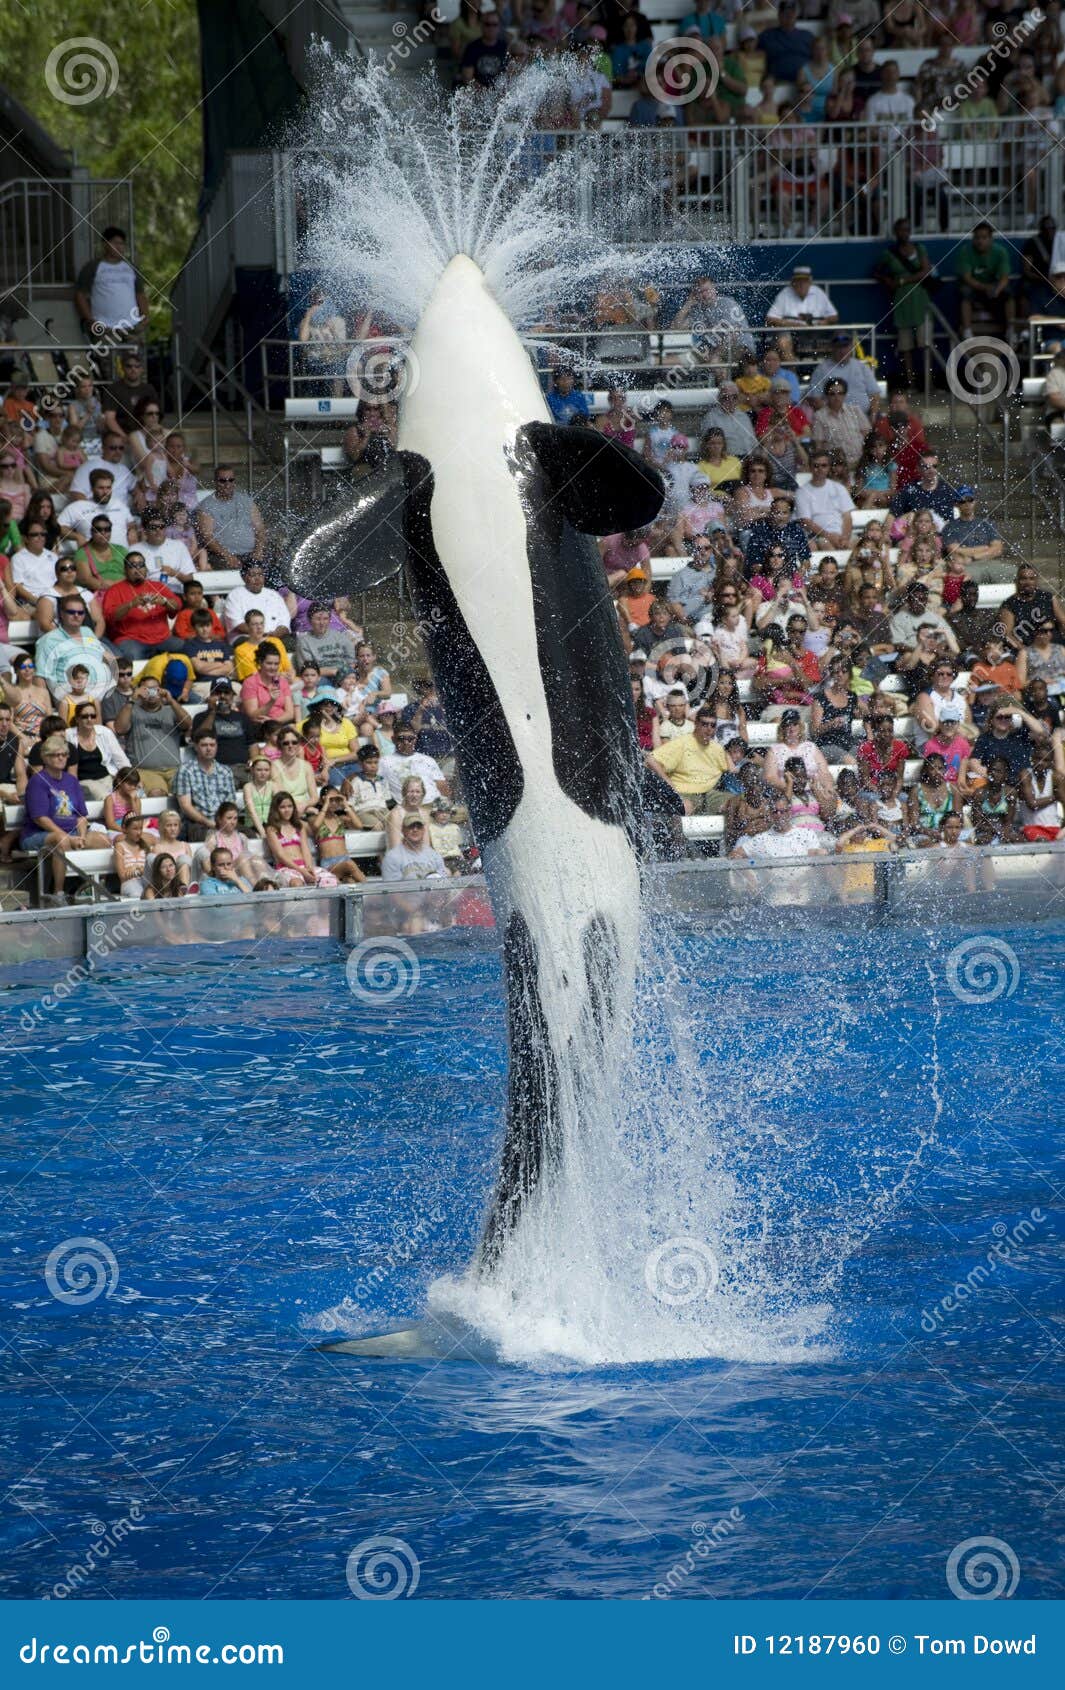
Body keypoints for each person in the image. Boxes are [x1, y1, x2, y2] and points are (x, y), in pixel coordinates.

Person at [20, 734, 111, 902]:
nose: (61, 758)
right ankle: (58, 893)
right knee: (61, 841)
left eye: (64, 754)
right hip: (37, 834)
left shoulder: (71, 781)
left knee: (103, 840)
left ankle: (94, 887)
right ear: (45, 758)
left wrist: (82, 837)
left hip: (72, 831)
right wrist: (67, 837)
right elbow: (40, 818)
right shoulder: (38, 781)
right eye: (56, 754)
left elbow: (81, 816)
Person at [875, 219, 934, 390]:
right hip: (902, 302)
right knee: (905, 346)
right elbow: (877, 272)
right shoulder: (889, 253)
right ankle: (911, 384)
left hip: (921, 300)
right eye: (900, 230)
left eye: (907, 229)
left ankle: (929, 384)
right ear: (895, 232)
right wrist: (889, 281)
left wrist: (903, 280)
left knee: (926, 345)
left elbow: (925, 271)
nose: (904, 233)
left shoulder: (919, 248)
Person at [110, 672, 192, 795]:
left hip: (174, 769)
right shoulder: (131, 710)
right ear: (139, 691)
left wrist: (171, 701)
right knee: (156, 793)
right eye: (146, 689)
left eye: (155, 689)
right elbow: (120, 729)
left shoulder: (171, 710)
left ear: (161, 690)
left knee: (188, 794)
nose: (151, 692)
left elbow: (188, 724)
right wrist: (131, 700)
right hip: (147, 771)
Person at [645, 707, 730, 815]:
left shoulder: (717, 748)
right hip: (686, 794)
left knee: (737, 803)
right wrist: (669, 783)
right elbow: (650, 760)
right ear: (696, 724)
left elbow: (729, 770)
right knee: (682, 806)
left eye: (712, 725)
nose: (709, 728)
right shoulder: (682, 743)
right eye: (704, 724)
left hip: (710, 795)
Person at [101, 552, 183, 658]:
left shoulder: (157, 586)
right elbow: (109, 617)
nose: (138, 569)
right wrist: (131, 604)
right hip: (131, 640)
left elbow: (177, 605)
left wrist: (164, 601)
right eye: (132, 566)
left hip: (162, 639)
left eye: (141, 565)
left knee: (184, 647)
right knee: (133, 654)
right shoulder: (114, 590)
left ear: (146, 568)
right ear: (125, 570)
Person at [73, 227, 147, 334]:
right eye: (114, 243)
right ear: (105, 244)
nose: (119, 247)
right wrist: (90, 320)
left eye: (121, 243)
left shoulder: (131, 267)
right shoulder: (93, 267)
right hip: (104, 327)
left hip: (132, 325)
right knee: (104, 351)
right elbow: (80, 295)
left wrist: (145, 316)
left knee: (135, 350)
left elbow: (140, 294)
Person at [264, 792, 339, 888]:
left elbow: (305, 850)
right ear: (276, 809)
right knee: (297, 884)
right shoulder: (272, 829)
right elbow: (280, 855)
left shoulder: (299, 826)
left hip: (304, 866)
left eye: (290, 806)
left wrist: (309, 868)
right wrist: (301, 871)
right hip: (285, 868)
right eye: (282, 807)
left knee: (332, 880)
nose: (287, 810)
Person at [174, 730, 238, 841]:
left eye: (212, 745)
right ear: (196, 747)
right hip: (197, 823)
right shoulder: (186, 770)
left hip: (224, 822)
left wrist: (224, 822)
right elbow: (186, 806)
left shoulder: (226, 771)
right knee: (214, 839)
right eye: (204, 745)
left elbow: (230, 804)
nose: (209, 749)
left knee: (249, 836)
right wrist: (209, 823)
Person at [955, 221, 1014, 335]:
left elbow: (1004, 278)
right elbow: (967, 278)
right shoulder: (965, 251)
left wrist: (997, 289)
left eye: (984, 237)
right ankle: (967, 331)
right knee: (965, 292)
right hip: (975, 288)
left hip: (993, 289)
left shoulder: (1001, 252)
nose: (980, 241)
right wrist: (986, 288)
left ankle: (1011, 330)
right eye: (977, 237)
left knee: (1008, 292)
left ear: (991, 239)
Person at [64, 699, 129, 800]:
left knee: (132, 793)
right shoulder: (68, 735)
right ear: (77, 719)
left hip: (107, 777)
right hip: (85, 781)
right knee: (107, 798)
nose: (89, 719)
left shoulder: (104, 732)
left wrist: (130, 778)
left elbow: (121, 759)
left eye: (93, 716)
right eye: (85, 716)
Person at [805, 334, 880, 415]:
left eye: (845, 346)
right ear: (832, 348)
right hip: (834, 419)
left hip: (864, 417)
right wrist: (835, 416)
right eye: (838, 347)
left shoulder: (861, 367)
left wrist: (873, 415)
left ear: (851, 347)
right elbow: (815, 399)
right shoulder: (821, 369)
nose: (842, 351)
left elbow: (875, 394)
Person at [795, 452, 854, 549]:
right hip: (818, 536)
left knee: (860, 545)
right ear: (810, 467)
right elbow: (806, 521)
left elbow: (847, 517)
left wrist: (845, 538)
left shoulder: (839, 488)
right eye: (816, 465)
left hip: (842, 534)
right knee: (827, 546)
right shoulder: (802, 492)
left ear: (829, 467)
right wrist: (830, 536)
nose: (820, 469)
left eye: (824, 465)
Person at [998, 564, 1065, 649]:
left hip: (1055, 647)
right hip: (1027, 649)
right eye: (1023, 579)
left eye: (1031, 579)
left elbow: (1063, 622)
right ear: (1016, 581)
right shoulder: (1009, 605)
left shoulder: (1048, 598)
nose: (1028, 582)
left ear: (1036, 581)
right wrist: (1027, 653)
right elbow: (1008, 636)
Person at [223, 560, 292, 639]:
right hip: (246, 638)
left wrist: (275, 634)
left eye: (260, 575)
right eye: (253, 575)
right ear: (243, 577)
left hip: (274, 638)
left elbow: (285, 624)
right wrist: (263, 635)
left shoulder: (274, 595)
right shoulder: (235, 595)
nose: (257, 578)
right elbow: (237, 624)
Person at [240, 643, 296, 729]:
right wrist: (271, 701)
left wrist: (273, 722)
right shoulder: (250, 683)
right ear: (260, 662)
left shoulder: (282, 682)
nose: (273, 667)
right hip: (261, 727)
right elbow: (253, 716)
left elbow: (290, 713)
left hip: (281, 724)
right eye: (269, 663)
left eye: (276, 664)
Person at [295, 601, 358, 677]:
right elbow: (308, 671)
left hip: (344, 675)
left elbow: (352, 662)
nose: (322, 623)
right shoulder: (304, 641)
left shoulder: (340, 637)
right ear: (310, 620)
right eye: (318, 619)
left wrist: (344, 674)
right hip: (320, 677)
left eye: (325, 619)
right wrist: (334, 672)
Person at [766, 265, 838, 329]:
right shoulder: (785, 293)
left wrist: (824, 322)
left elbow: (834, 317)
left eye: (805, 281)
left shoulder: (818, 292)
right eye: (798, 281)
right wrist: (792, 324)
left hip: (816, 332)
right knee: (783, 340)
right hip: (791, 331)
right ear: (792, 282)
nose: (801, 284)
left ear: (810, 282)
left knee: (841, 336)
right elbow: (770, 318)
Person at [270, 724, 319, 815]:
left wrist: (304, 806)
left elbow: (315, 797)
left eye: (294, 742)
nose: (290, 745)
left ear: (298, 745)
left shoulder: (306, 766)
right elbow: (281, 797)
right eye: (286, 743)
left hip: (305, 809)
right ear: (280, 746)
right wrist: (305, 809)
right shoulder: (274, 766)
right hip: (284, 812)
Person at [460, 10, 509, 87]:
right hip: (477, 92)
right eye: (487, 24)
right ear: (481, 26)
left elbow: (510, 74)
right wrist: (483, 91)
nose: (491, 28)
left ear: (499, 26)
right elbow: (467, 77)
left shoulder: (505, 47)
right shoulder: (472, 47)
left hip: (500, 92)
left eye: (494, 24)